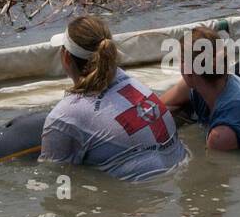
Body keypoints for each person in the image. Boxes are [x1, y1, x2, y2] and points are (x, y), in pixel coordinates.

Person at [40, 15, 189, 181]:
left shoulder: (65, 117)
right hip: (182, 169)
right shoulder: (131, 82)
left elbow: (55, 179)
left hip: (137, 197)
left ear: (66, 57)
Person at [160, 26, 240, 150]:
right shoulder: (200, 85)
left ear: (187, 70)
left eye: (179, 61)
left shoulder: (221, 136)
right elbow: (157, 108)